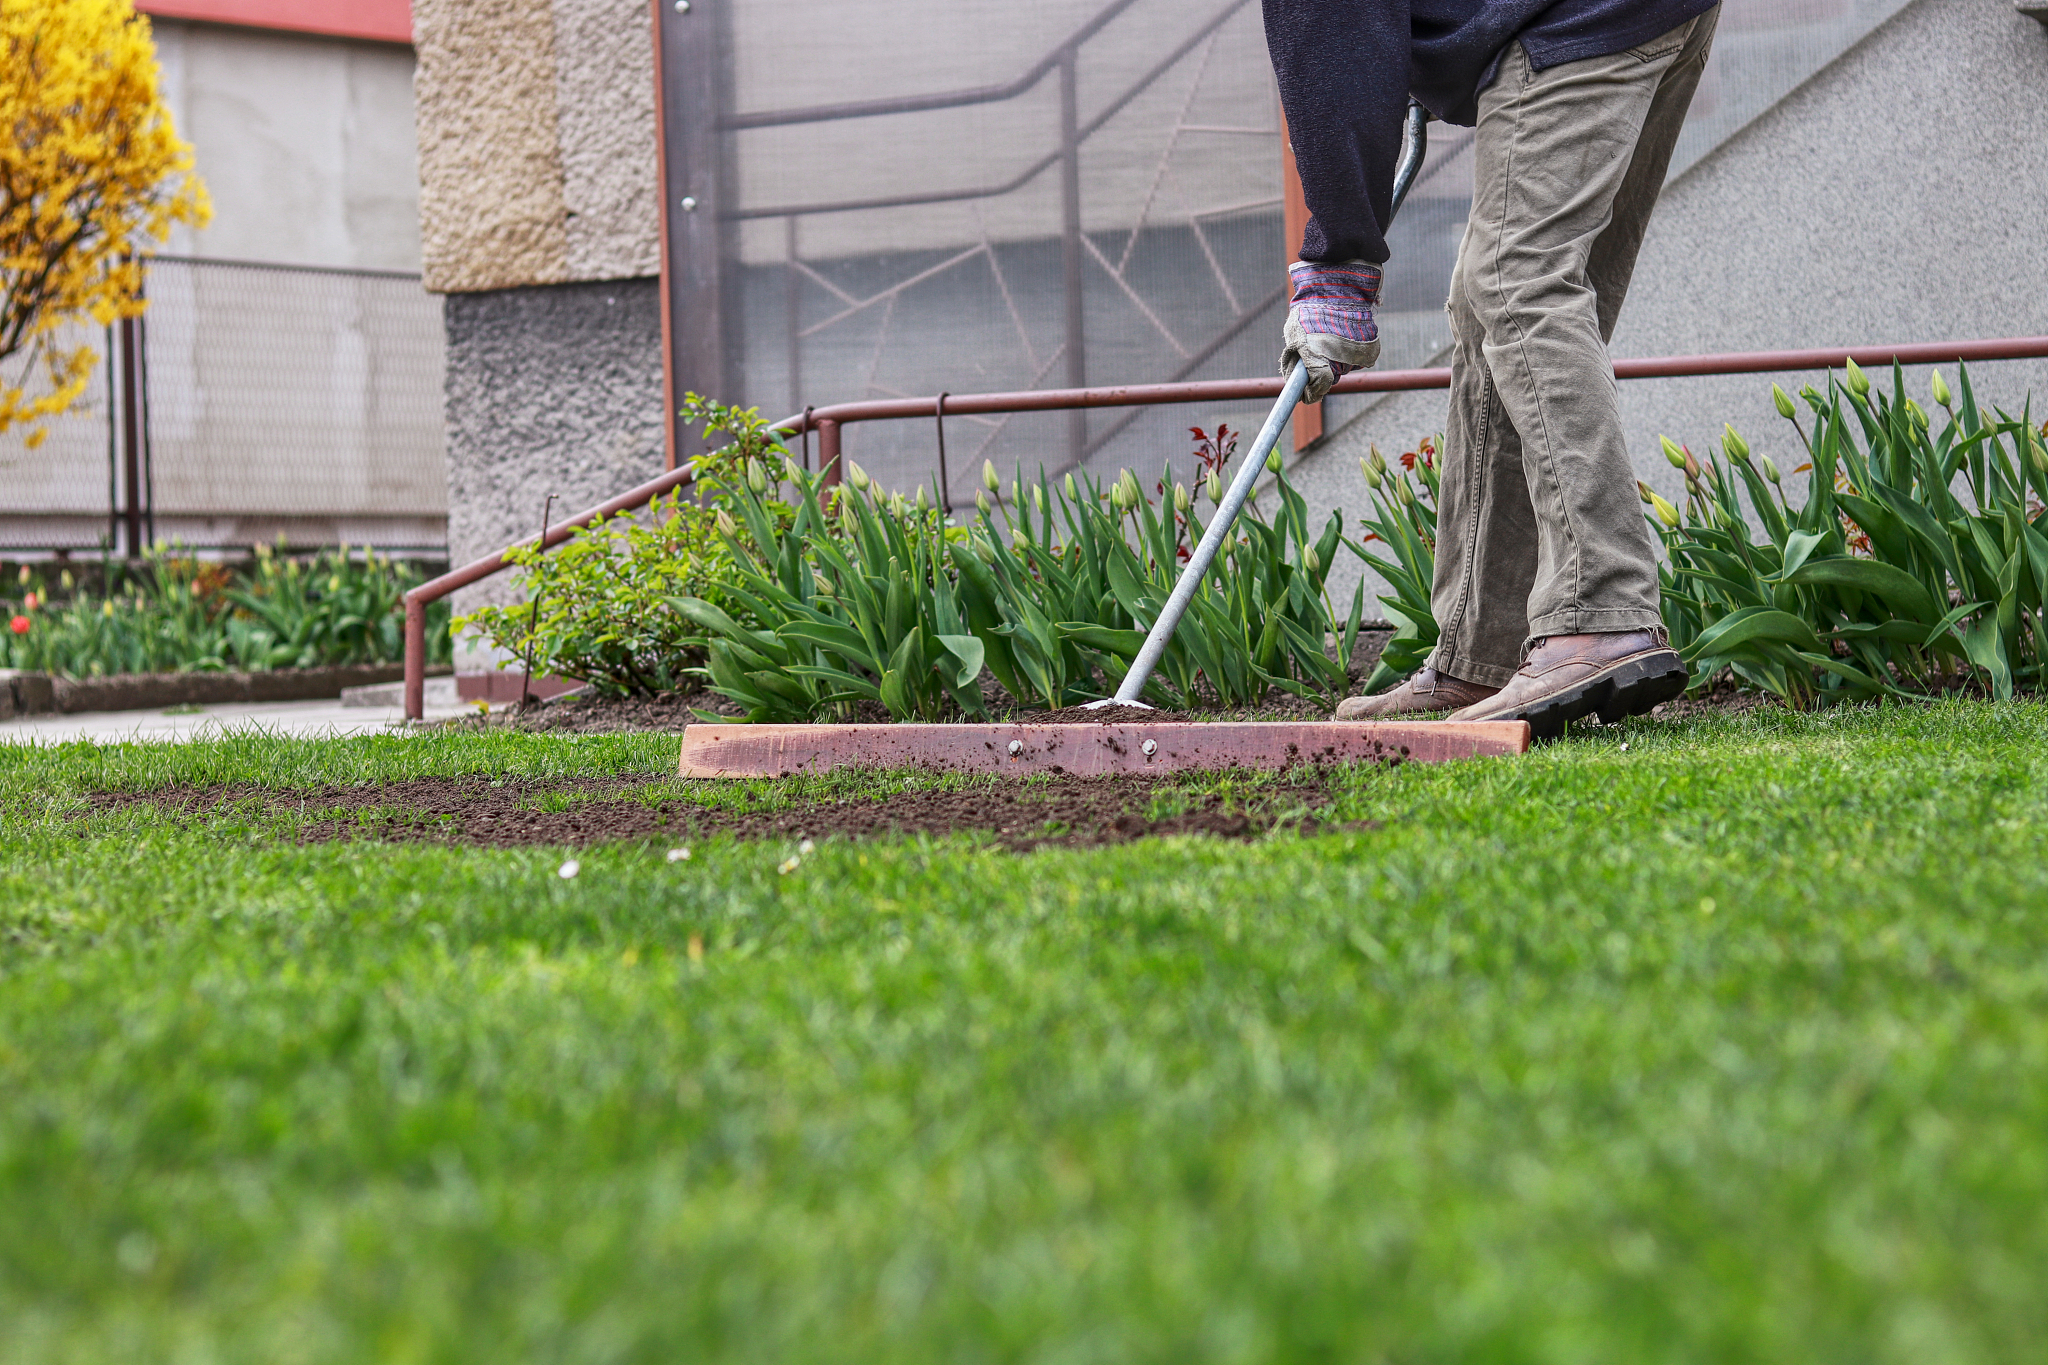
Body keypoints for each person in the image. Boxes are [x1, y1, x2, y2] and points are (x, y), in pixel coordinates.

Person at [1270, 0, 1719, 738]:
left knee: (1518, 278)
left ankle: (1599, 609)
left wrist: (1339, 256)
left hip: (1579, 19)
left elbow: (1333, 39)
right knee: (1496, 303)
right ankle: (1482, 653)